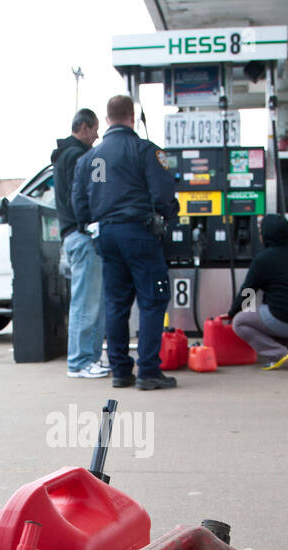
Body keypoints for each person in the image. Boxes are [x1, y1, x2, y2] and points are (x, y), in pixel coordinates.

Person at [72, 94, 179, 390]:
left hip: (106, 234)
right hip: (140, 233)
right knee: (153, 300)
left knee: (116, 303)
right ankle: (148, 371)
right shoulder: (145, 150)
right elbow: (163, 192)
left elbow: (78, 202)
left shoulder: (88, 159)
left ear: (107, 120)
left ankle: (120, 370)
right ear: (132, 118)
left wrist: (88, 225)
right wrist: (168, 216)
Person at [51, 108, 108, 380]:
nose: (97, 136)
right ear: (83, 127)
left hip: (73, 235)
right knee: (87, 303)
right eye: (95, 129)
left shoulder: (64, 157)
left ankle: (89, 359)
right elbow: (88, 193)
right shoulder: (80, 157)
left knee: (89, 301)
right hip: (83, 235)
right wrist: (91, 222)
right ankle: (81, 361)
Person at [226, 214, 288, 370]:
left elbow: (249, 290)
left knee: (241, 322)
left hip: (286, 320)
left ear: (266, 234)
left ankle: (277, 354)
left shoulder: (264, 259)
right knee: (268, 318)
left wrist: (233, 313)